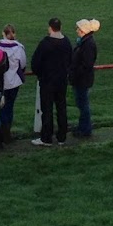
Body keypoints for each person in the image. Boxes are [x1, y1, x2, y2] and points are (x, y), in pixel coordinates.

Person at [29, 17, 73, 147]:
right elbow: (70, 60)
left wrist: (40, 74)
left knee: (47, 109)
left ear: (50, 28)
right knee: (61, 108)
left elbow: (35, 62)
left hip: (47, 81)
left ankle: (46, 138)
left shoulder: (45, 43)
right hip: (61, 81)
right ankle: (62, 137)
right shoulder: (66, 42)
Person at [0, 25, 29, 143]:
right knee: (9, 107)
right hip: (14, 82)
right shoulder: (19, 48)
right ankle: (6, 133)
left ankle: (1, 133)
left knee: (1, 108)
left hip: (0, 82)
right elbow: (23, 63)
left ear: (3, 33)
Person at [72, 18, 101, 138]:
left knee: (83, 105)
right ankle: (83, 127)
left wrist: (74, 72)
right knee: (82, 104)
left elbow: (86, 65)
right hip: (82, 79)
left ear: (83, 30)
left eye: (78, 28)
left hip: (82, 80)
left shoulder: (87, 44)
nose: (76, 30)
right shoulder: (86, 42)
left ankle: (85, 129)